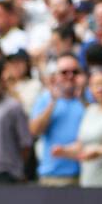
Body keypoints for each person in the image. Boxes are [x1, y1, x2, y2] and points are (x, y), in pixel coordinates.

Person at [29, 54, 85, 188]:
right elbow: (34, 130)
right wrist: (52, 103)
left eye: (74, 72)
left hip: (82, 175)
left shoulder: (86, 100)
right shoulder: (45, 99)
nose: (70, 76)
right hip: (52, 175)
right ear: (55, 76)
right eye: (65, 72)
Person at [66, 68, 102, 188]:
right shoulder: (90, 110)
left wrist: (99, 151)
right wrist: (63, 151)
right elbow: (81, 144)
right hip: (88, 177)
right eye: (95, 85)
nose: (99, 89)